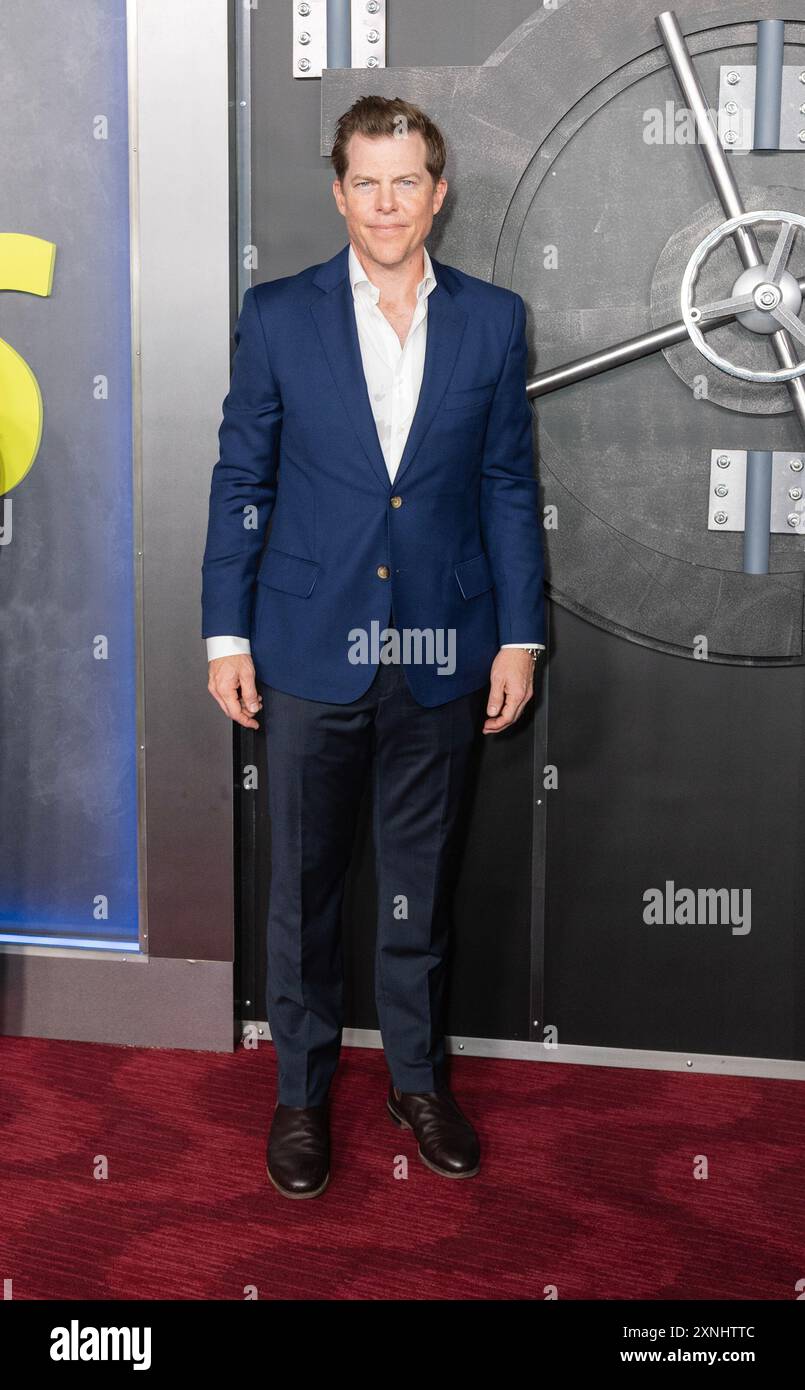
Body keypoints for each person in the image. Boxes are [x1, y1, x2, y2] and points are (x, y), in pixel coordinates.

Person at [201, 95, 545, 1198]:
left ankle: (414, 1079)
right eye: (367, 181)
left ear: (437, 193)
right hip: (304, 646)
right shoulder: (278, 315)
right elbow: (240, 480)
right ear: (339, 190)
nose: (387, 203)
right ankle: (301, 1096)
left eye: (408, 181)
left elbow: (504, 485)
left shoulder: (493, 320)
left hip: (444, 649)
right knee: (300, 891)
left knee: (419, 885)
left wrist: (519, 638)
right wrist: (225, 632)